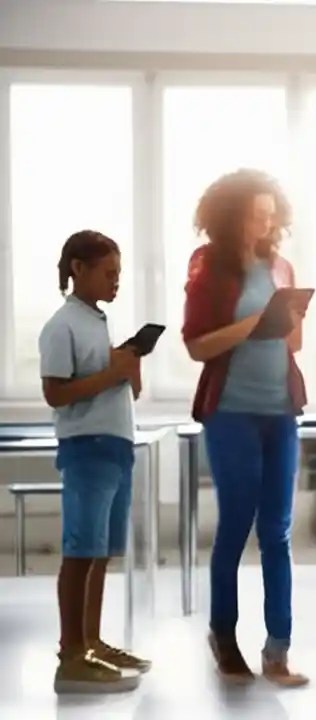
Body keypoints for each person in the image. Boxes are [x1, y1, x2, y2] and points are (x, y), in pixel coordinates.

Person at [182, 168, 309, 687]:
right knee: (235, 527)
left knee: (277, 531)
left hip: (281, 411)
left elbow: (293, 344)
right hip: (230, 411)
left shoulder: (281, 266)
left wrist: (289, 319)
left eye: (271, 213)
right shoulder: (208, 265)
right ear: (233, 217)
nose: (267, 222)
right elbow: (196, 345)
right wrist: (253, 325)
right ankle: (223, 635)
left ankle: (278, 649)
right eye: (257, 214)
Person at [39, 230, 150, 693]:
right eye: (108, 273)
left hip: (116, 446)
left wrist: (130, 367)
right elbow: (55, 393)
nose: (116, 281)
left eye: (119, 274)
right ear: (78, 270)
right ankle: (71, 653)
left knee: (100, 553)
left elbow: (129, 391)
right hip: (86, 447)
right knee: (81, 551)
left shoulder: (98, 323)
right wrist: (111, 373)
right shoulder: (60, 326)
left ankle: (91, 641)